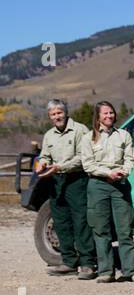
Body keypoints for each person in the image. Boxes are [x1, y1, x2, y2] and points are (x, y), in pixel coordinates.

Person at [82, 101, 134, 283]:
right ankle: (106, 271)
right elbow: (88, 164)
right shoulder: (88, 138)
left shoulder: (124, 135)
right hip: (98, 185)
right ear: (98, 116)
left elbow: (130, 158)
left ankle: (131, 270)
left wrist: (124, 171)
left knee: (125, 228)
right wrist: (108, 173)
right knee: (101, 230)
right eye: (105, 113)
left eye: (111, 113)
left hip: (120, 184)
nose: (109, 116)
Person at [35, 99, 95, 278]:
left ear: (66, 112)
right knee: (61, 221)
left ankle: (87, 263)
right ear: (49, 116)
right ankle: (68, 261)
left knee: (81, 221)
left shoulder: (80, 130)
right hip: (56, 181)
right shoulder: (49, 135)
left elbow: (83, 157)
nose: (57, 117)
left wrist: (60, 167)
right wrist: (43, 163)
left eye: (59, 113)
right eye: (53, 114)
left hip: (76, 179)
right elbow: (45, 155)